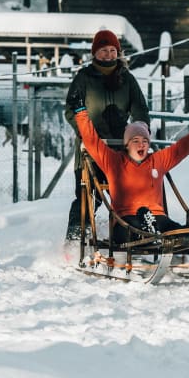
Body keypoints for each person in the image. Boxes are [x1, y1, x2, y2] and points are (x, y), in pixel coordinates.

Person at [69, 103, 189, 244]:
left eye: (145, 141)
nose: (141, 144)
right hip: (125, 222)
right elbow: (92, 141)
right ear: (127, 145)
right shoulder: (114, 161)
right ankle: (149, 233)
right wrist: (80, 112)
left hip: (159, 218)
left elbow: (183, 146)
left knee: (173, 229)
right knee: (137, 223)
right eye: (135, 141)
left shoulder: (158, 161)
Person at [62, 29, 150, 244]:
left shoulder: (127, 79)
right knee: (88, 196)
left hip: (121, 149)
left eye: (112, 50)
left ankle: (124, 238)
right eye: (103, 51)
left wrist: (139, 134)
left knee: (125, 196)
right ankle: (75, 240)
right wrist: (87, 134)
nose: (108, 55)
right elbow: (71, 111)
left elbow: (140, 110)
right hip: (91, 149)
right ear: (95, 53)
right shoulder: (84, 77)